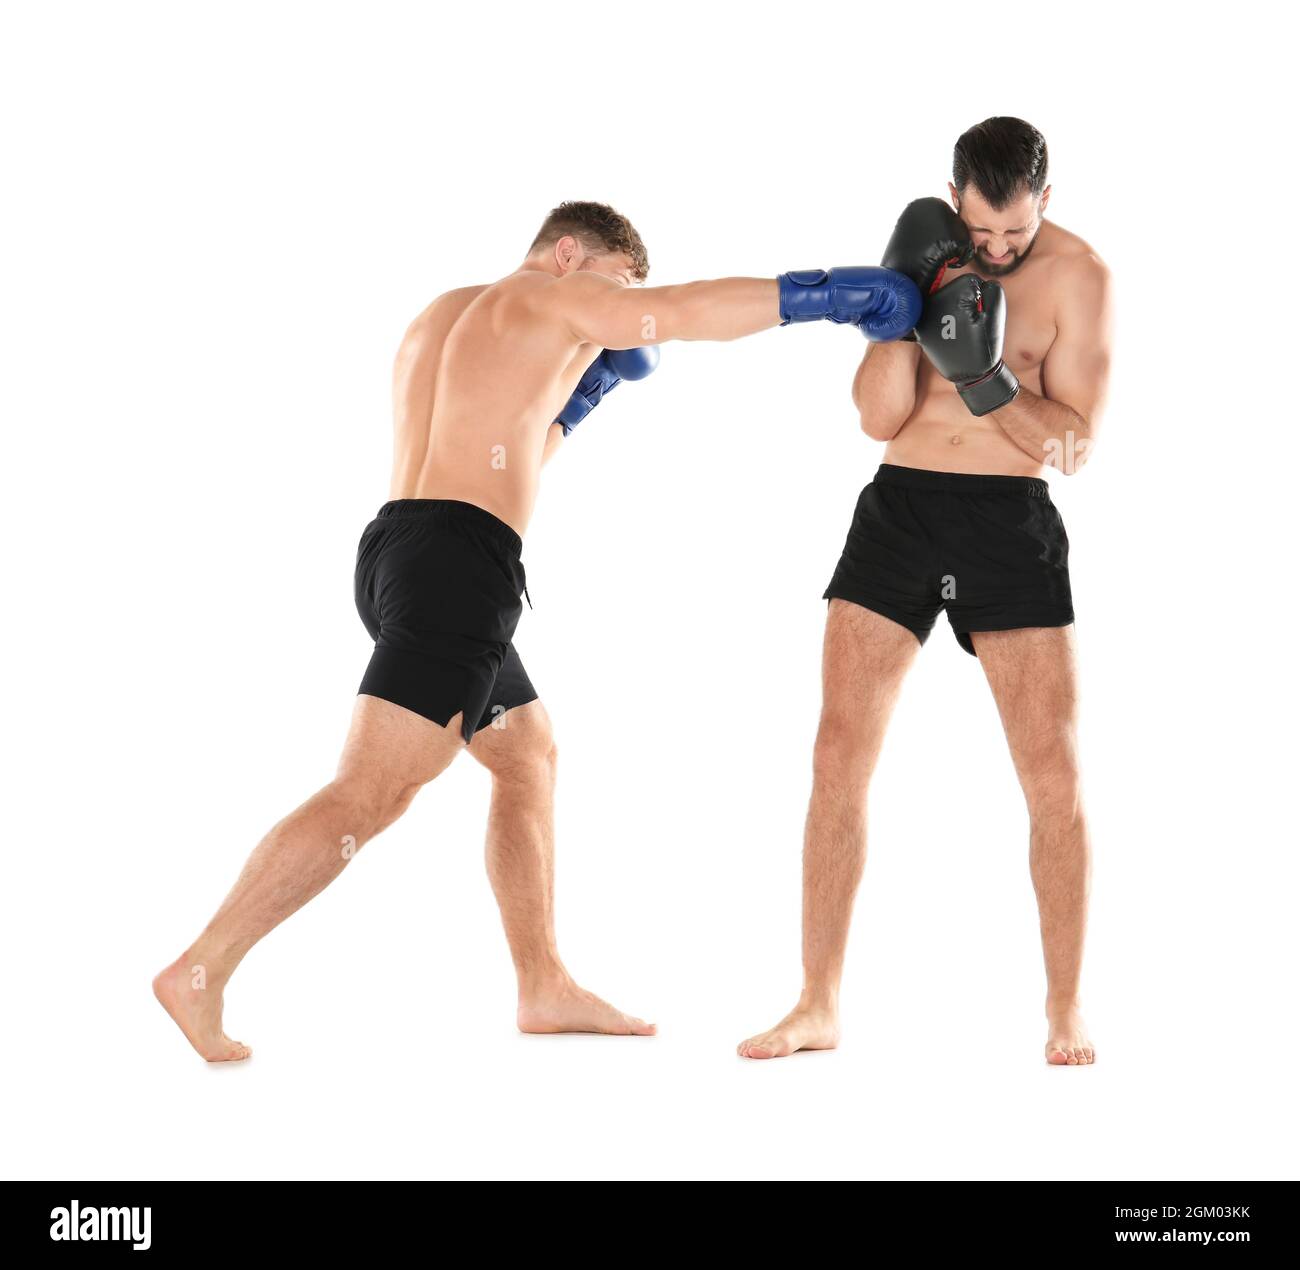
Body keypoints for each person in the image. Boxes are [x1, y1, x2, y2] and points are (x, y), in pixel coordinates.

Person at [154, 199, 921, 1061]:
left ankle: (543, 983)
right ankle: (202, 969)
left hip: (398, 551)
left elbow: (498, 449)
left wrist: (574, 407)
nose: (616, 315)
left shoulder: (446, 314)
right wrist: (824, 297)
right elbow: (679, 312)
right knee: (370, 793)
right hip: (459, 572)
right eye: (616, 285)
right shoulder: (555, 299)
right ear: (569, 255)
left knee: (527, 752)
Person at [739, 118, 1113, 1065]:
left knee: (1053, 774)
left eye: (1013, 237)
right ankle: (817, 1002)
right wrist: (900, 315)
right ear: (954, 202)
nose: (995, 251)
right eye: (979, 233)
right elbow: (876, 420)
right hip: (901, 507)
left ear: (1046, 202)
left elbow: (1073, 446)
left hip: (1009, 523)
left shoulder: (1080, 279)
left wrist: (986, 380)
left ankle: (1064, 1009)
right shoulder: (927, 254)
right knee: (836, 756)